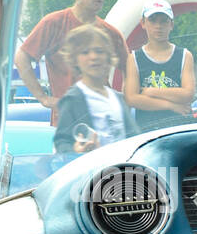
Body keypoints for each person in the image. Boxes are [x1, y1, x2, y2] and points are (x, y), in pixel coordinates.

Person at [15, 0, 127, 125]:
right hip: (66, 124)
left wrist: (121, 100)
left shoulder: (111, 32)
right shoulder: (53, 23)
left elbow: (129, 68)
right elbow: (21, 57)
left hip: (104, 123)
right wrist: (43, 98)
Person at [51, 24, 135, 154]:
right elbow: (62, 142)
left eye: (99, 51)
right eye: (85, 52)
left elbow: (134, 137)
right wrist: (75, 150)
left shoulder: (119, 99)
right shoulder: (72, 100)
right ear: (74, 60)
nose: (93, 56)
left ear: (108, 57)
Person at [123, 0, 195, 133]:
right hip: (146, 132)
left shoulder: (185, 56)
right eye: (153, 20)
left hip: (178, 131)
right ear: (143, 23)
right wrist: (171, 105)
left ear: (171, 24)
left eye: (164, 21)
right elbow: (132, 98)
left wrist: (151, 92)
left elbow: (188, 94)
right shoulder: (134, 58)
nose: (158, 26)